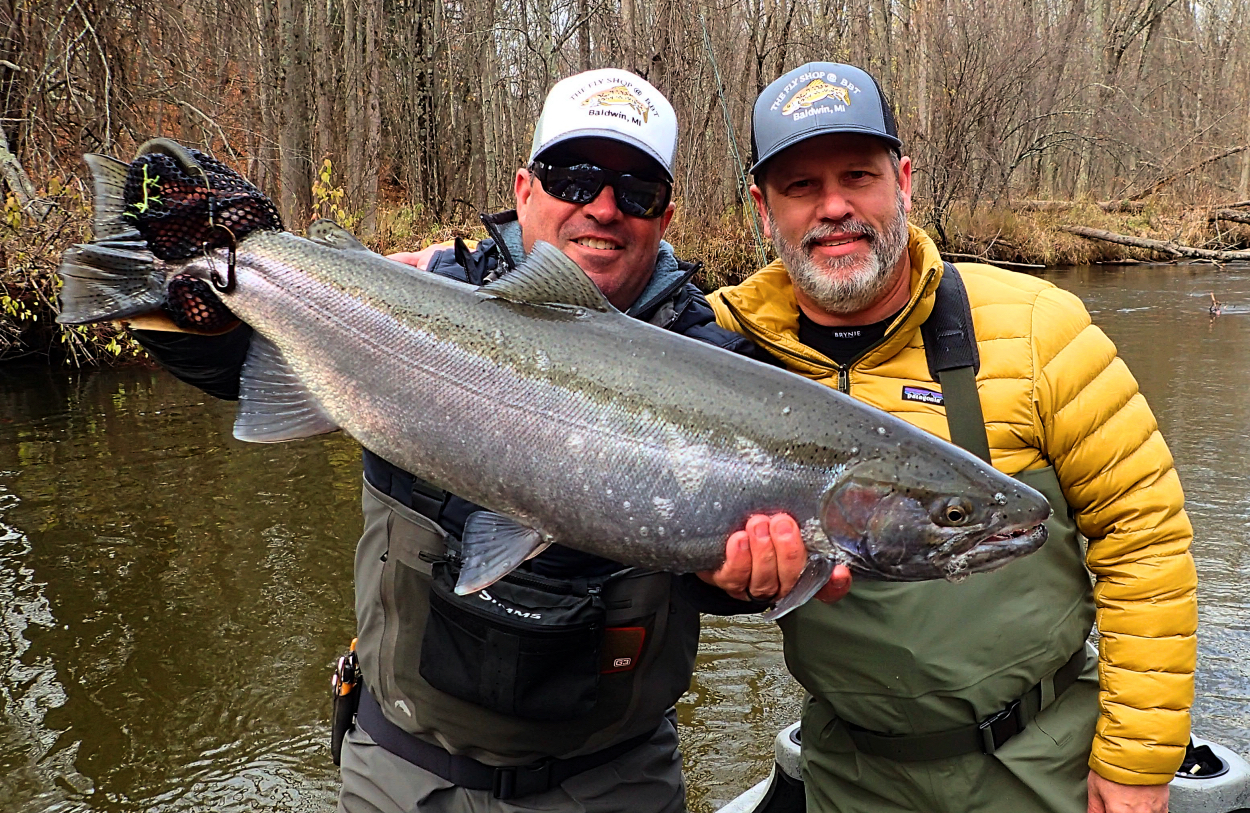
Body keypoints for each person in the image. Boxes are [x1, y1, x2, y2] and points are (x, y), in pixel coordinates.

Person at [128, 69, 841, 813]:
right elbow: (236, 366)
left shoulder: (723, 369)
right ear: (525, 188)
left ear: (665, 218)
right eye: (574, 177)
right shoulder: (419, 286)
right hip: (404, 769)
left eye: (637, 191)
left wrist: (737, 581)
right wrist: (201, 287)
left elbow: (719, 571)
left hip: (616, 780)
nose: (602, 207)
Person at [704, 62, 1197, 813]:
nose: (834, 206)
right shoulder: (718, 347)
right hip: (849, 771)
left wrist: (1136, 760)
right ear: (762, 209)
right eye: (801, 186)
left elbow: (1146, 542)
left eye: (858, 176)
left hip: (1042, 761)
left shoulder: (1041, 328)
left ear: (902, 182)